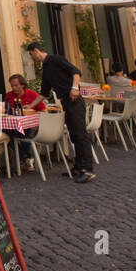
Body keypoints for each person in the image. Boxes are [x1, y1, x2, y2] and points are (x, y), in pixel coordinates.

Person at [26, 42, 94, 183]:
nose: (32, 57)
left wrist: (75, 88)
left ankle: (87, 170)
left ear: (36, 51)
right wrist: (30, 106)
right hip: (65, 102)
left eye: (31, 54)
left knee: (80, 134)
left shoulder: (55, 59)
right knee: (74, 135)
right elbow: (43, 93)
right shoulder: (46, 68)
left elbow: (75, 72)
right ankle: (78, 167)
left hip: (74, 100)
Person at [3, 75, 45, 171]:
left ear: (22, 85)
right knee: (6, 134)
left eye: (16, 85)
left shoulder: (32, 94)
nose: (14, 88)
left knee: (21, 133)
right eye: (12, 86)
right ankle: (26, 158)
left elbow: (44, 111)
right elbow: (6, 111)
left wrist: (30, 112)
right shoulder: (9, 95)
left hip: (32, 126)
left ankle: (24, 159)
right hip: (15, 126)